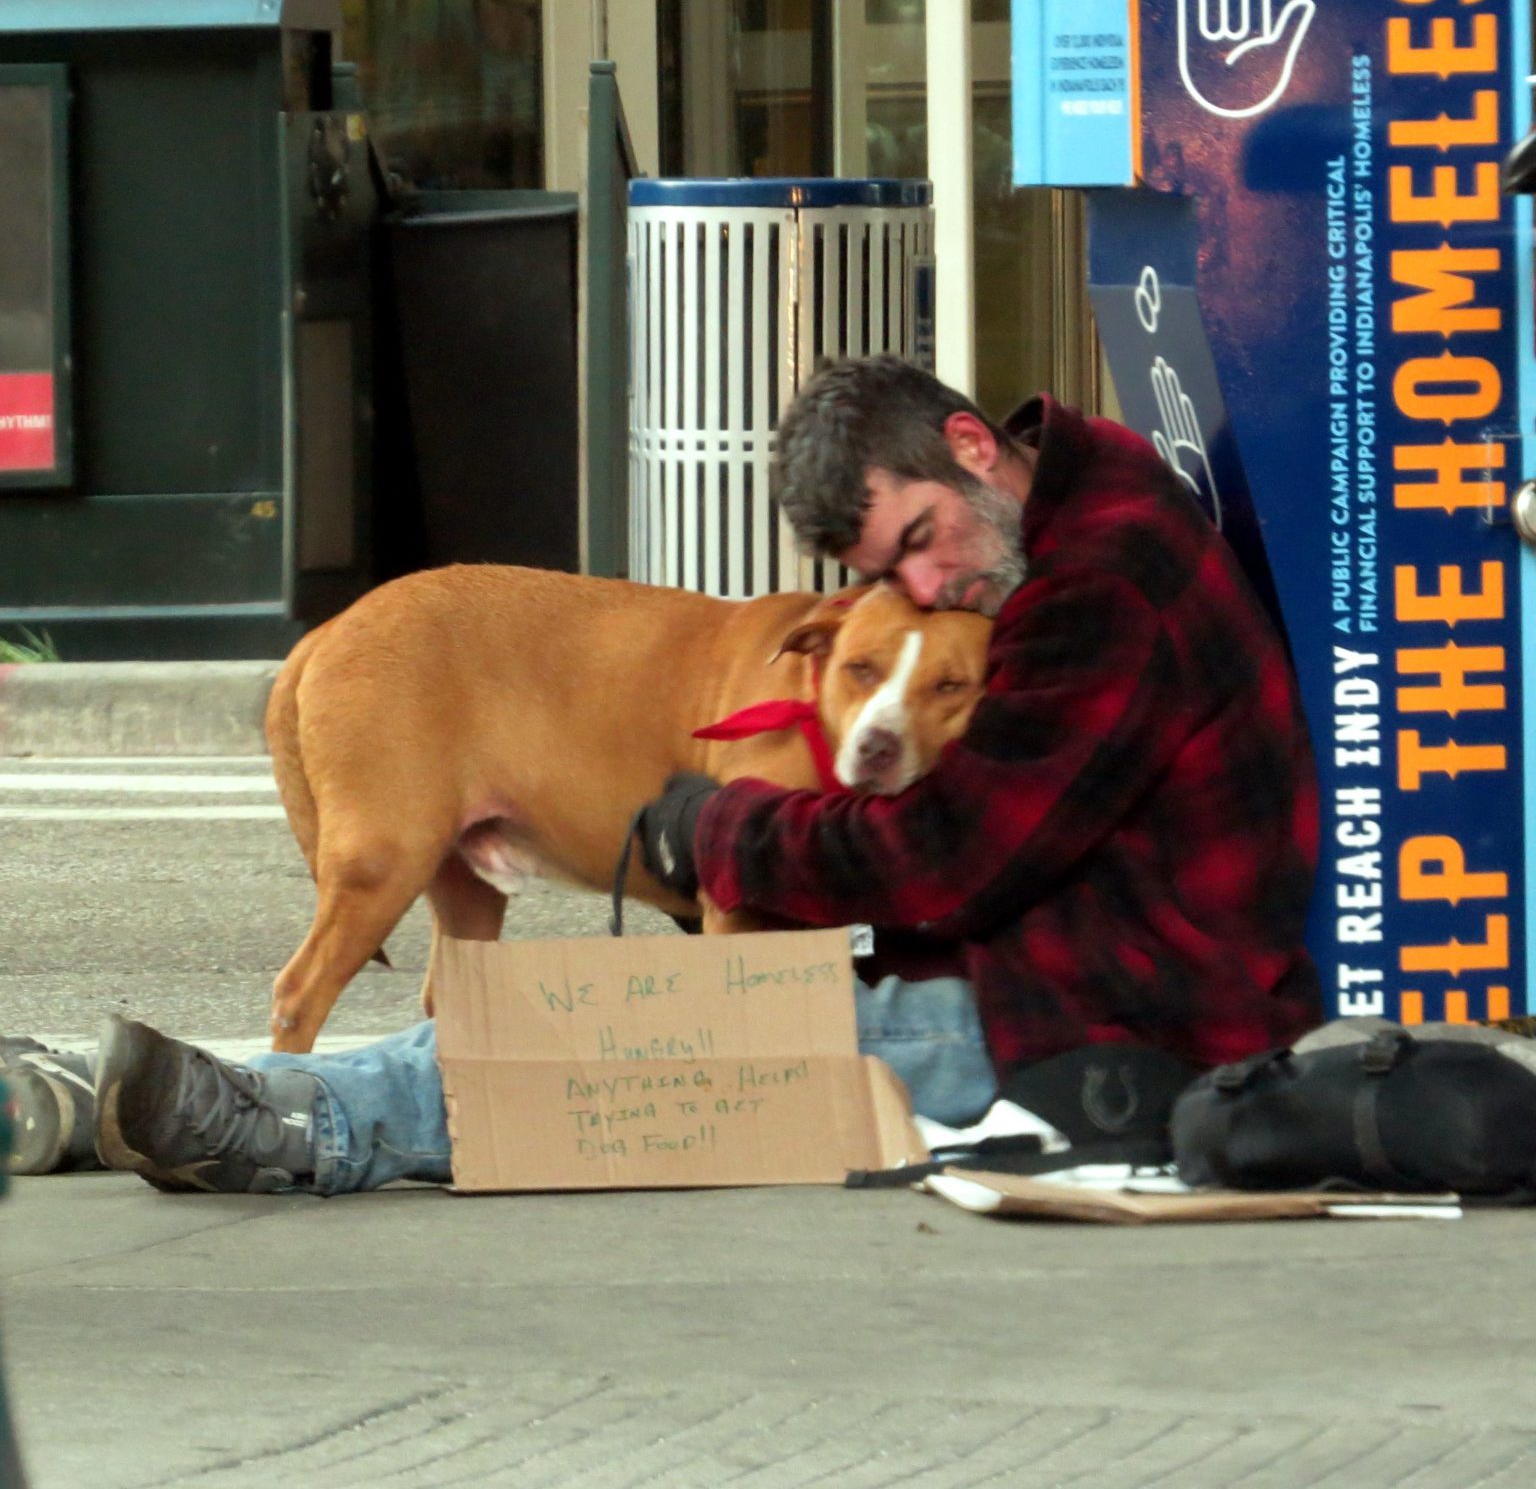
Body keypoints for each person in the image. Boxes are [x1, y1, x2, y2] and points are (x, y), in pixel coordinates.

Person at [1, 356, 1322, 1195]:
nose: (926, 587)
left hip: (1101, 1020)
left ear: (974, 447)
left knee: (631, 1049)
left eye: (923, 541)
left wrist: (728, 830)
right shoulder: (1081, 504)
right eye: (892, 569)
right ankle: (113, 1101)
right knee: (634, 1004)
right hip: (1041, 977)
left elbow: (946, 855)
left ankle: (285, 1130)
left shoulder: (1101, 583)